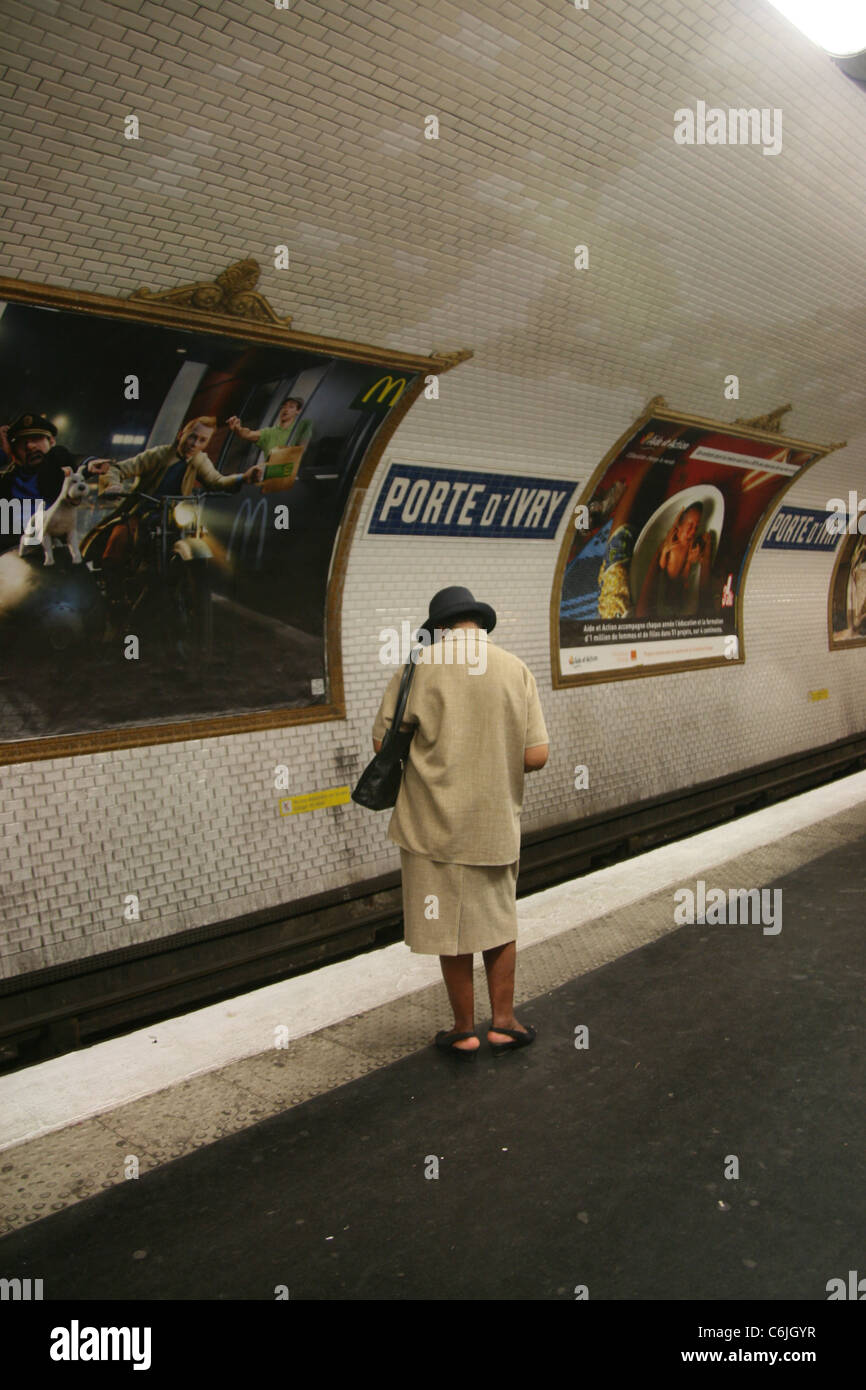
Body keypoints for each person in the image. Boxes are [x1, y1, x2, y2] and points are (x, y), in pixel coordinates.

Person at [371, 585, 550, 1058]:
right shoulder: (516, 669)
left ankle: (464, 1029)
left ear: (440, 629)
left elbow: (383, 748)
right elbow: (536, 756)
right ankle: (505, 1023)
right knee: (498, 920)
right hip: (493, 823)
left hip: (430, 826)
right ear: (477, 624)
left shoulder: (416, 669)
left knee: (450, 928)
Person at [82, 416, 263, 576]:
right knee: (119, 538)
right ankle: (112, 586)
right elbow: (117, 468)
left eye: (202, 440)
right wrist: (114, 484)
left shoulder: (200, 460)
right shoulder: (159, 454)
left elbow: (217, 481)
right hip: (144, 510)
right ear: (180, 435)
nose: (195, 444)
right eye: (192, 436)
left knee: (198, 535)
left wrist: (244, 477)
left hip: (174, 516)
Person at [0, 413, 102, 553]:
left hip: (52, 552)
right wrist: (3, 454)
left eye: (36, 439)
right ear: (13, 449)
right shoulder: (7, 480)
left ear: (51, 441)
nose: (30, 446)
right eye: (22, 442)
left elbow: (74, 460)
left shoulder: (57, 463)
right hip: (12, 556)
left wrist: (89, 464)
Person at [226, 396, 312, 486]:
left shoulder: (302, 428)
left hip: (292, 481)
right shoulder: (269, 432)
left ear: (298, 411)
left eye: (291, 407)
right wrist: (237, 428)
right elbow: (247, 434)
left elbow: (302, 451)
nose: (286, 409)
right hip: (269, 482)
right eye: (284, 406)